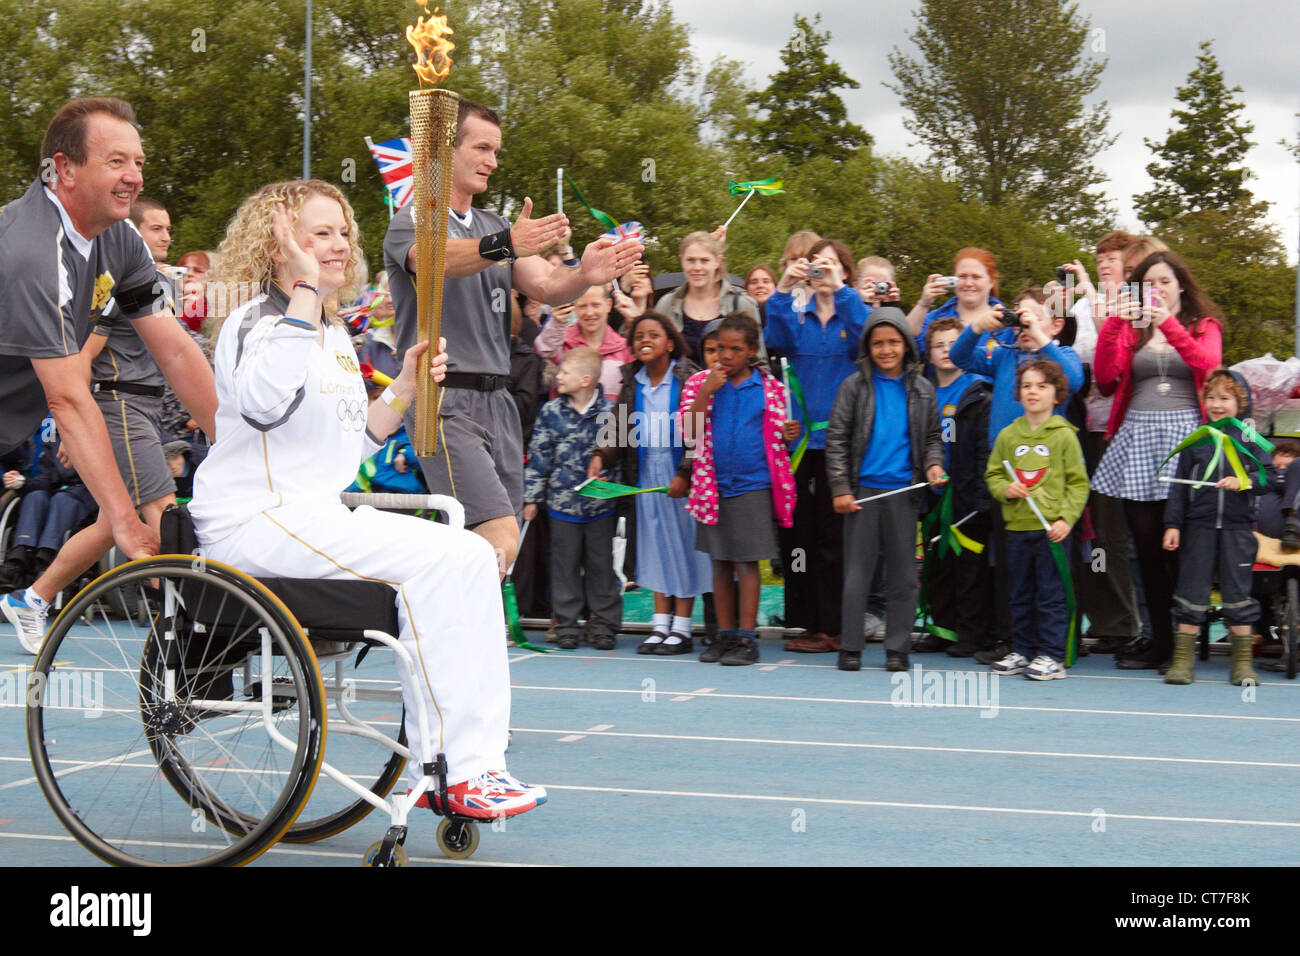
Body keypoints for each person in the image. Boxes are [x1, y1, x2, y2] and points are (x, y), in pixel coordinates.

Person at [189, 178, 544, 818]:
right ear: (276, 246)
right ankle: (450, 770)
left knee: (469, 557)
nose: (338, 243)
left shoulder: (327, 333)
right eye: (318, 232)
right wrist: (302, 293)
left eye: (343, 231)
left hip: (310, 514)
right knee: (447, 558)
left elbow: (344, 451)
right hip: (256, 519)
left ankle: (479, 764)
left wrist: (404, 387)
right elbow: (263, 405)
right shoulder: (257, 321)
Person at [383, 99, 642, 576]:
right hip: (443, 395)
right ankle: (430, 619)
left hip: (497, 400)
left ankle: (436, 621)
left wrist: (587, 273)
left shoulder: (494, 226)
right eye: (482, 148)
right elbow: (433, 258)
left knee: (498, 548)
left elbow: (546, 285)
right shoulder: (414, 218)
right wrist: (505, 244)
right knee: (497, 538)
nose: (493, 162)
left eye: (496, 151)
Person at [0, 97, 215, 649]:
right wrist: (120, 518)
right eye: (117, 162)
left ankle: (35, 595)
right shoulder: (32, 252)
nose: (134, 177)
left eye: (139, 162)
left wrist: (231, 440)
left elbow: (175, 350)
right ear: (65, 168)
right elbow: (68, 398)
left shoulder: (117, 238)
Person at [1091, 250, 1223, 671]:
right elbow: (1106, 379)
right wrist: (1115, 321)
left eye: (1165, 282)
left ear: (1181, 285)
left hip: (1187, 441)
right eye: (1149, 285)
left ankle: (1184, 641)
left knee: (1180, 548)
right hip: (1139, 439)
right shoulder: (1133, 330)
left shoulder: (1203, 326)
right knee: (1145, 549)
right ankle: (1159, 641)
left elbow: (1208, 362)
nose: (1157, 291)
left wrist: (1166, 321)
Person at [763, 239, 869, 654]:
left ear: (844, 269)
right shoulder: (799, 316)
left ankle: (836, 625)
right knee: (798, 535)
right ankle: (805, 621)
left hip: (840, 442)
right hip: (800, 443)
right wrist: (786, 285)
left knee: (834, 538)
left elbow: (866, 340)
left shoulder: (853, 310)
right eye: (817, 265)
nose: (822, 271)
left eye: (831, 264)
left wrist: (842, 288)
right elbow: (775, 338)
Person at [826, 309, 945, 673]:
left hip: (904, 494)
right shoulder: (853, 387)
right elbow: (837, 439)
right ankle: (851, 646)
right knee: (857, 575)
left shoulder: (923, 389)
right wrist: (841, 487)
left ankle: (897, 648)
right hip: (862, 494)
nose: (886, 349)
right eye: (877, 343)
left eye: (894, 341)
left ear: (907, 346)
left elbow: (931, 439)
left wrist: (934, 466)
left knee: (904, 577)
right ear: (867, 347)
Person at [681, 313, 798, 666]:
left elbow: (781, 438)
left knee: (747, 564)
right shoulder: (700, 383)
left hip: (753, 485)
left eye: (735, 349)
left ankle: (747, 638)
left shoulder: (771, 388)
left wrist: (788, 435)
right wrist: (707, 391)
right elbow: (689, 431)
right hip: (711, 485)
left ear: (751, 351)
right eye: (718, 349)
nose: (725, 356)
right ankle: (724, 634)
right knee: (719, 563)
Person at [594, 312, 709, 654]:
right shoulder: (633, 382)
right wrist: (600, 456)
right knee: (654, 547)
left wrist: (685, 473)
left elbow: (698, 430)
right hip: (647, 476)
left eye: (653, 335)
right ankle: (660, 624)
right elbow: (618, 428)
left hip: (679, 478)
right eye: (639, 336)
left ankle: (683, 628)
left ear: (670, 343)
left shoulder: (689, 378)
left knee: (683, 547)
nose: (645, 340)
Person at [1162, 371, 1274, 686]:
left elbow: (1270, 478)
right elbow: (1178, 489)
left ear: (1241, 403)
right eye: (1211, 398)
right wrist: (1172, 524)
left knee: (1238, 594)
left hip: (1238, 530)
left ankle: (1242, 664)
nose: (1217, 404)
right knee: (1190, 592)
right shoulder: (1196, 439)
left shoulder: (1250, 439)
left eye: (1224, 398)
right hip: (1199, 527)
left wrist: (1244, 482)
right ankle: (1183, 662)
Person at [984, 360, 1089, 680]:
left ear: (1057, 395)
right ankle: (1023, 649)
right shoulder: (1008, 435)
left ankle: (1052, 655)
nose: (1033, 392)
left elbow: (1078, 483)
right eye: (1027, 385)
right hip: (1016, 529)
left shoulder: (1065, 436)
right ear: (1017, 393)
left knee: (1051, 594)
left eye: (1042, 386)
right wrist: (1006, 489)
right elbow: (993, 475)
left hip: (1052, 532)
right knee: (1019, 594)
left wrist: (1066, 520)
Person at [523, 347, 622, 650]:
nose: (559, 376)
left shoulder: (611, 413)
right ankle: (565, 622)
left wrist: (610, 482)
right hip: (562, 505)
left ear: (585, 379)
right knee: (563, 565)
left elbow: (618, 458)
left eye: (565, 371)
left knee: (601, 565)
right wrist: (531, 498)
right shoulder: (550, 412)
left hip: (599, 507)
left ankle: (603, 622)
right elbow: (539, 457)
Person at [914, 317, 993, 658]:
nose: (946, 351)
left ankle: (971, 633)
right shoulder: (921, 391)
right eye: (938, 345)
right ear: (928, 354)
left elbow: (982, 448)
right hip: (933, 493)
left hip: (967, 496)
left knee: (969, 568)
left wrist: (978, 495)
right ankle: (942, 628)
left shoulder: (977, 390)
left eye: (953, 344)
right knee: (937, 564)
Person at [656, 231, 761, 363]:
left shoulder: (742, 304)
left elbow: (760, 363)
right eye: (691, 260)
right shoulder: (666, 304)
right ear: (681, 260)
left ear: (717, 261)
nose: (697, 267)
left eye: (704, 260)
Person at [534, 283, 632, 400]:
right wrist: (556, 322)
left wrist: (635, 320)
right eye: (582, 306)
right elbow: (543, 350)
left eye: (596, 305)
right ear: (574, 307)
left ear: (608, 305)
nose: (589, 313)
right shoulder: (563, 341)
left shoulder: (624, 347)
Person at [912, 247, 1015, 356]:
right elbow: (909, 348)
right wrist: (923, 304)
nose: (968, 283)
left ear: (991, 282)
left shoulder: (1007, 324)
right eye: (962, 276)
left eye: (976, 277)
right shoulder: (934, 319)